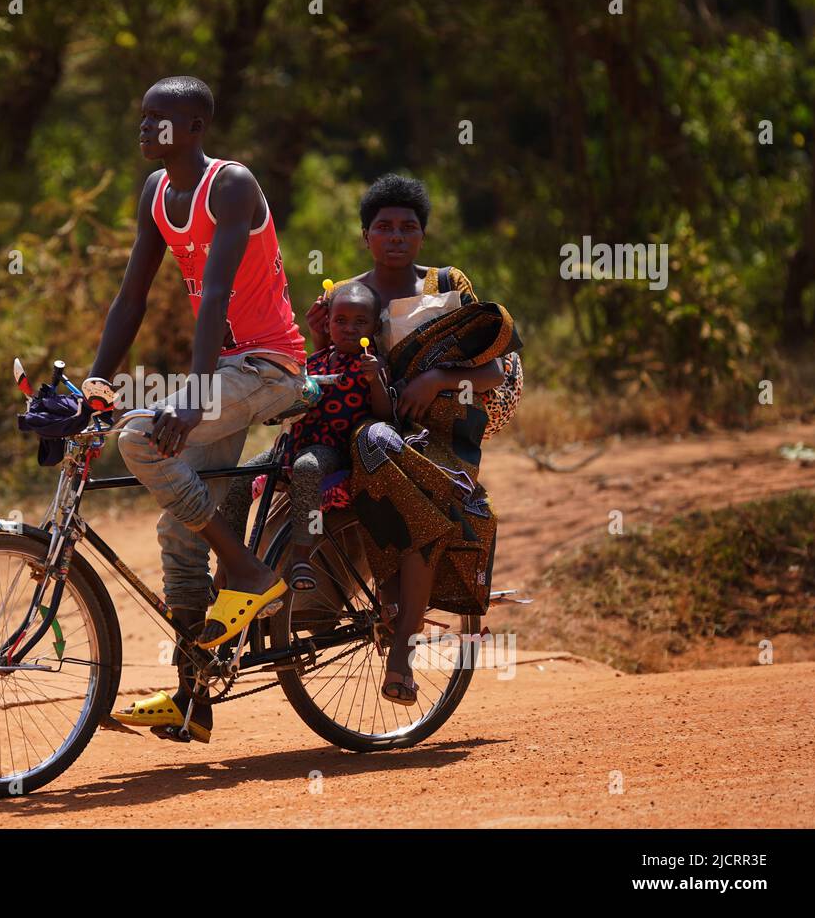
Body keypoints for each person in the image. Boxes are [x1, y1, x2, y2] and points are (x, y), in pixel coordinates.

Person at [85, 76, 307, 743]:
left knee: (140, 441)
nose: (146, 128)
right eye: (143, 116)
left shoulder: (231, 185)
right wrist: (95, 386)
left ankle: (245, 570)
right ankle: (193, 697)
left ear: (196, 127)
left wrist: (195, 393)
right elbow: (132, 298)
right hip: (221, 372)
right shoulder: (156, 193)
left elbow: (214, 297)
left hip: (270, 366)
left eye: (162, 118)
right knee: (178, 533)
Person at [305, 174, 508, 706]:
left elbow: (495, 372)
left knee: (413, 498)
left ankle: (402, 654)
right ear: (364, 235)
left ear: (422, 234)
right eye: (384, 227)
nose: (396, 237)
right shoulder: (345, 298)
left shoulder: (447, 287)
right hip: (363, 436)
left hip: (438, 439)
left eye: (408, 227)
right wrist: (318, 338)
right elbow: (324, 372)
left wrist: (437, 379)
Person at [217, 281, 390, 594]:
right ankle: (230, 564)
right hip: (291, 446)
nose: (349, 329)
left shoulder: (372, 364)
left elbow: (384, 415)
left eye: (360, 322)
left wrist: (375, 380)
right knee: (238, 478)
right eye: (340, 321)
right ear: (328, 323)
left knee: (308, 469)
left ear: (375, 327)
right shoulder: (318, 361)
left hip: (332, 449)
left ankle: (300, 557)